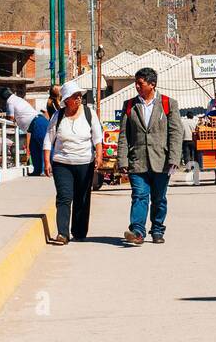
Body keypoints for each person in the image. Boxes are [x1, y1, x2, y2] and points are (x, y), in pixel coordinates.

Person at [118, 67, 183, 245]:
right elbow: (123, 134)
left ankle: (157, 229)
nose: (137, 87)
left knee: (159, 198)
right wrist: (122, 159)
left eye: (140, 84)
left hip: (161, 161)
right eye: (136, 84)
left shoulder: (169, 103)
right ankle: (137, 231)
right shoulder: (130, 105)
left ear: (152, 84)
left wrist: (174, 159)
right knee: (139, 195)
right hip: (137, 161)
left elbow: (176, 133)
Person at [43, 81, 104, 245]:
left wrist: (99, 156)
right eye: (75, 96)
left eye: (79, 96)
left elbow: (97, 137)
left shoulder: (89, 113)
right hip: (62, 163)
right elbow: (48, 139)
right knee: (64, 197)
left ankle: (79, 231)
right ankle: (63, 233)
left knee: (82, 198)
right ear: (66, 99)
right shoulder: (58, 116)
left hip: (85, 162)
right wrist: (46, 161)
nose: (78, 99)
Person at [5, 92, 43, 176]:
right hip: (36, 123)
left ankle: (45, 170)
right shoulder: (17, 99)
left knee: (41, 147)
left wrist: (8, 117)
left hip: (37, 123)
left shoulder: (10, 101)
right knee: (33, 147)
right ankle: (37, 170)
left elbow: (10, 118)